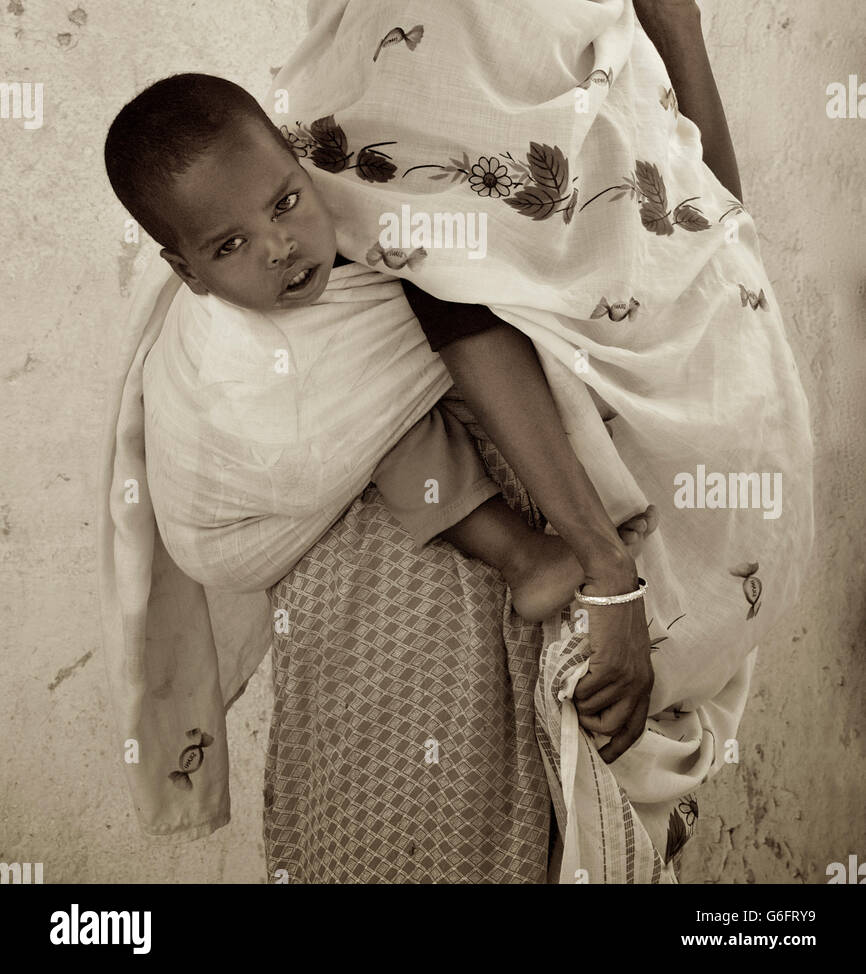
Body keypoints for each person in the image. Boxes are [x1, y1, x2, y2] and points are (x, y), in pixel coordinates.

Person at [263, 0, 814, 872]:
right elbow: (451, 294)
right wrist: (607, 575)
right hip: (472, 565)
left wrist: (668, 13)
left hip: (569, 554)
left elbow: (704, 234)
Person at [103, 71, 654, 620]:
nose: (279, 247)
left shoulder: (377, 207)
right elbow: (284, 437)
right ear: (187, 273)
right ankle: (521, 557)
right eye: (231, 245)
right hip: (229, 526)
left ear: (307, 171)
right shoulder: (229, 349)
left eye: (286, 202)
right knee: (396, 427)